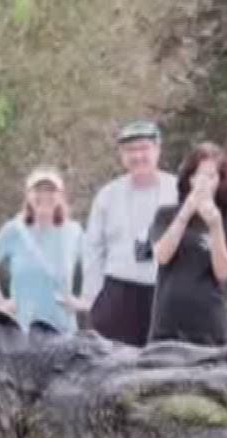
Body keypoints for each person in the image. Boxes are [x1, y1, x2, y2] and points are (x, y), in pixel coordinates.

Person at [80, 119, 177, 347]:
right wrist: (91, 300)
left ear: (157, 149)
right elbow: (93, 251)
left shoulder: (177, 190)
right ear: (122, 155)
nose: (137, 156)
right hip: (118, 294)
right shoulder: (108, 195)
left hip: (165, 292)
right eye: (130, 150)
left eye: (144, 148)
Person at [147, 141, 227, 346]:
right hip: (167, 325)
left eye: (211, 177)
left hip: (210, 326)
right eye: (199, 176)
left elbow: (223, 273)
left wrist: (215, 226)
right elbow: (161, 256)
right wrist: (185, 213)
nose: (203, 184)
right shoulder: (166, 214)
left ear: (220, 181)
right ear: (189, 179)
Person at [0, 167, 87, 334]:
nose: (44, 196)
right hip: (21, 332)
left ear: (61, 196)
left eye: (51, 190)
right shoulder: (13, 230)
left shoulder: (73, 232)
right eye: (38, 190)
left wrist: (84, 303)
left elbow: (98, 267)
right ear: (28, 196)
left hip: (62, 333)